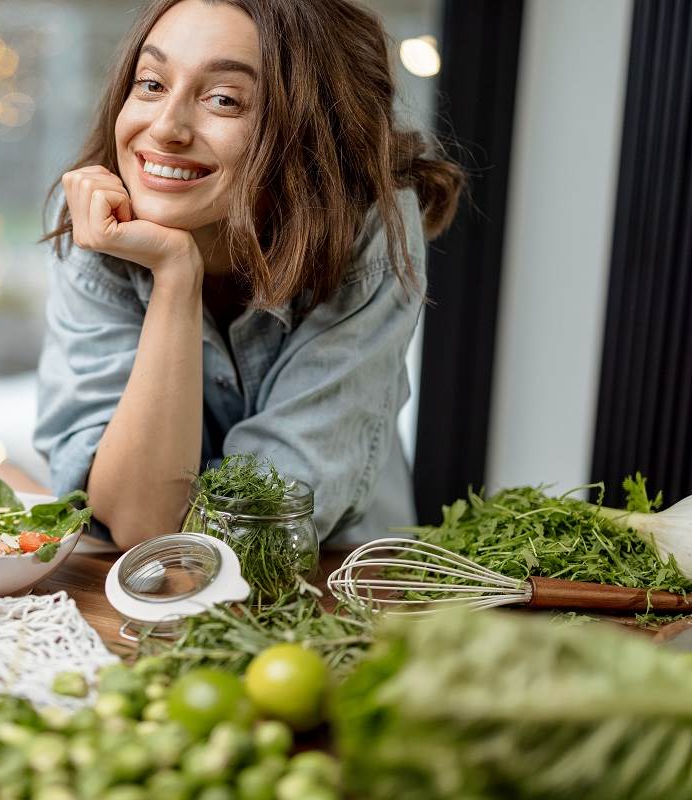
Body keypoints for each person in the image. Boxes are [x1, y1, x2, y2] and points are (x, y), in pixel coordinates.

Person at [32, 0, 464, 550]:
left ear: (311, 130)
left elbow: (264, 528)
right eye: (151, 83)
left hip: (331, 587)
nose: (165, 128)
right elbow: (140, 522)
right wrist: (175, 275)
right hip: (142, 590)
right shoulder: (97, 220)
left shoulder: (369, 231)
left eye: (224, 99)